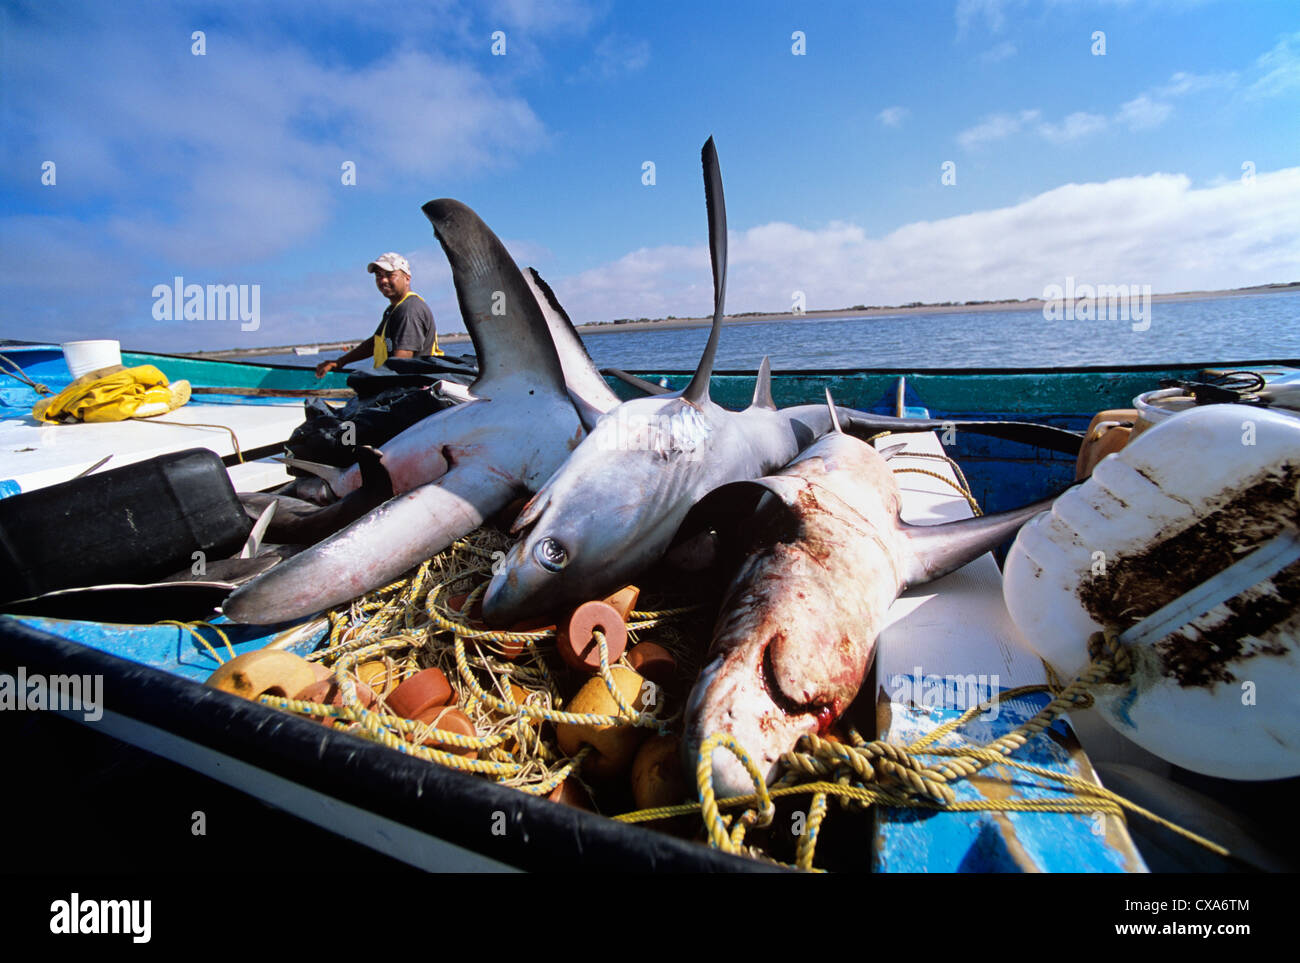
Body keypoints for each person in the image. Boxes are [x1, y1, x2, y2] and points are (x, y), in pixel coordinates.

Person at [315, 253, 442, 377]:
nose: (383, 280)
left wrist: (373, 382)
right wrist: (340, 362)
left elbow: (403, 361)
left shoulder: (409, 310)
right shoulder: (393, 309)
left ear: (407, 278)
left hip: (412, 389)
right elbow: (376, 342)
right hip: (395, 384)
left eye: (390, 275)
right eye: (378, 276)